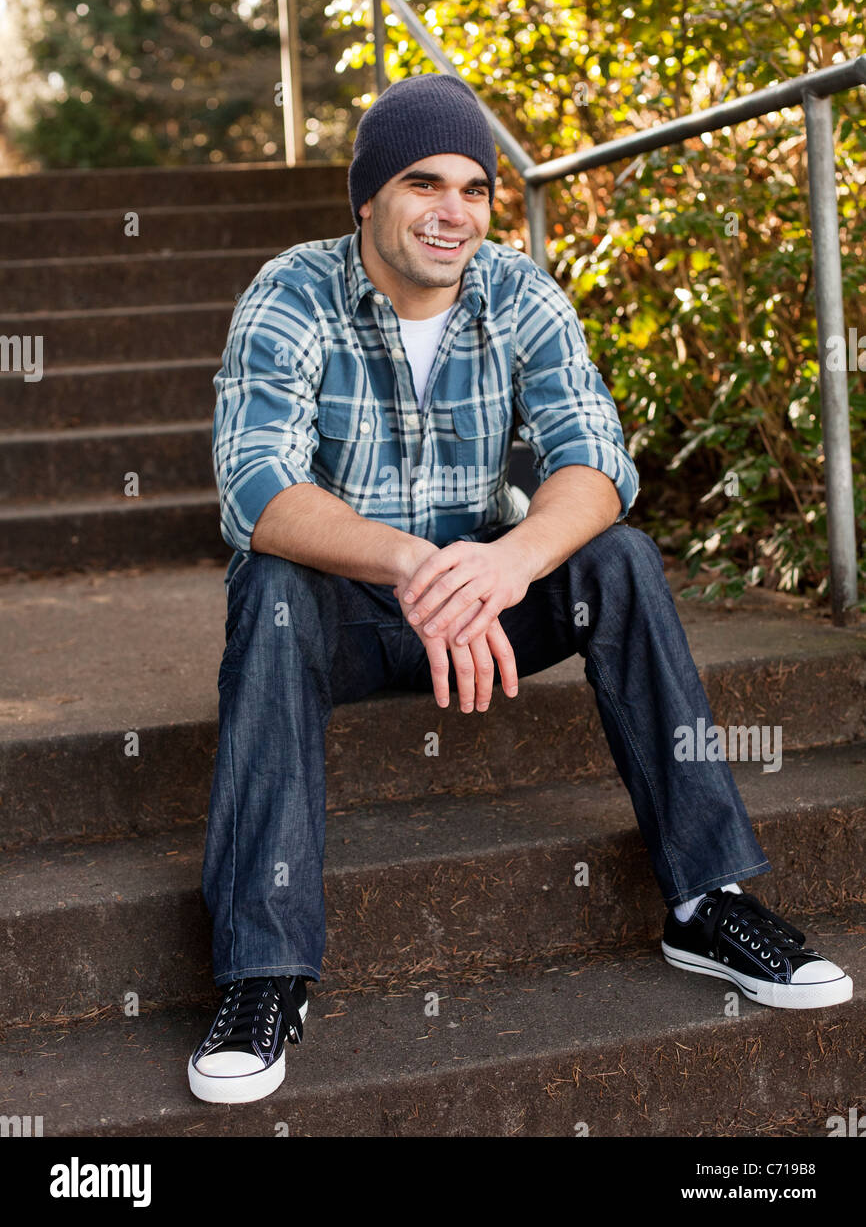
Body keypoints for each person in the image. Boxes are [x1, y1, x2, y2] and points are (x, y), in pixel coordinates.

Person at [189, 73, 852, 1105]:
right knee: (268, 582)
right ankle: (261, 967)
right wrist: (412, 563)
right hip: (351, 613)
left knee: (618, 557)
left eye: (475, 188)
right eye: (423, 183)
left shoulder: (518, 291)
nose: (454, 211)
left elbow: (597, 463)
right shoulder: (291, 291)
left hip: (492, 602)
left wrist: (506, 562)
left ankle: (703, 901)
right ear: (365, 198)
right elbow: (257, 486)